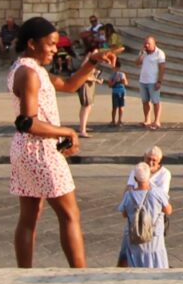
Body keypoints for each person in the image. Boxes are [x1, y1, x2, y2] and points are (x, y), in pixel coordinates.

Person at [7, 16, 117, 269]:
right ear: (32, 43)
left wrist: (92, 60)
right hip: (40, 150)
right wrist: (67, 132)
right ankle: (80, 275)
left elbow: (69, 85)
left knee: (29, 217)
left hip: (24, 150)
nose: (55, 49)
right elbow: (27, 122)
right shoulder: (29, 74)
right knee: (69, 214)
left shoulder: (27, 68)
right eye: (51, 44)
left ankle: (24, 273)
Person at [118, 164, 169, 270]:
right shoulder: (158, 193)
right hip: (154, 237)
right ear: (149, 176)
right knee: (157, 265)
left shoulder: (129, 195)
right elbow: (168, 210)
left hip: (135, 237)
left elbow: (124, 214)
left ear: (135, 178)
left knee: (136, 265)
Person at [136, 35, 167, 128]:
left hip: (153, 81)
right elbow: (137, 63)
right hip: (143, 80)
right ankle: (147, 120)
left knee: (155, 101)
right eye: (145, 43)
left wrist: (159, 81)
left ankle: (157, 121)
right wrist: (141, 54)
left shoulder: (159, 53)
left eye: (148, 43)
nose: (146, 45)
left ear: (154, 44)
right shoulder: (143, 52)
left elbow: (162, 68)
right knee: (145, 101)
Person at [74, 49, 100, 138]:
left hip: (90, 86)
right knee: (86, 106)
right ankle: (82, 130)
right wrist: (95, 80)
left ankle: (83, 126)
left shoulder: (93, 63)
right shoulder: (86, 62)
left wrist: (96, 77)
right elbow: (83, 75)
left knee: (88, 106)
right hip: (85, 86)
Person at [106, 61, 128, 128]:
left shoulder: (122, 74)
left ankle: (120, 120)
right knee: (114, 107)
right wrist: (115, 81)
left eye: (114, 67)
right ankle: (113, 120)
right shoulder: (111, 75)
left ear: (118, 68)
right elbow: (109, 85)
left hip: (122, 92)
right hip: (115, 92)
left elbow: (126, 83)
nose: (113, 68)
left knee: (121, 107)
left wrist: (122, 80)